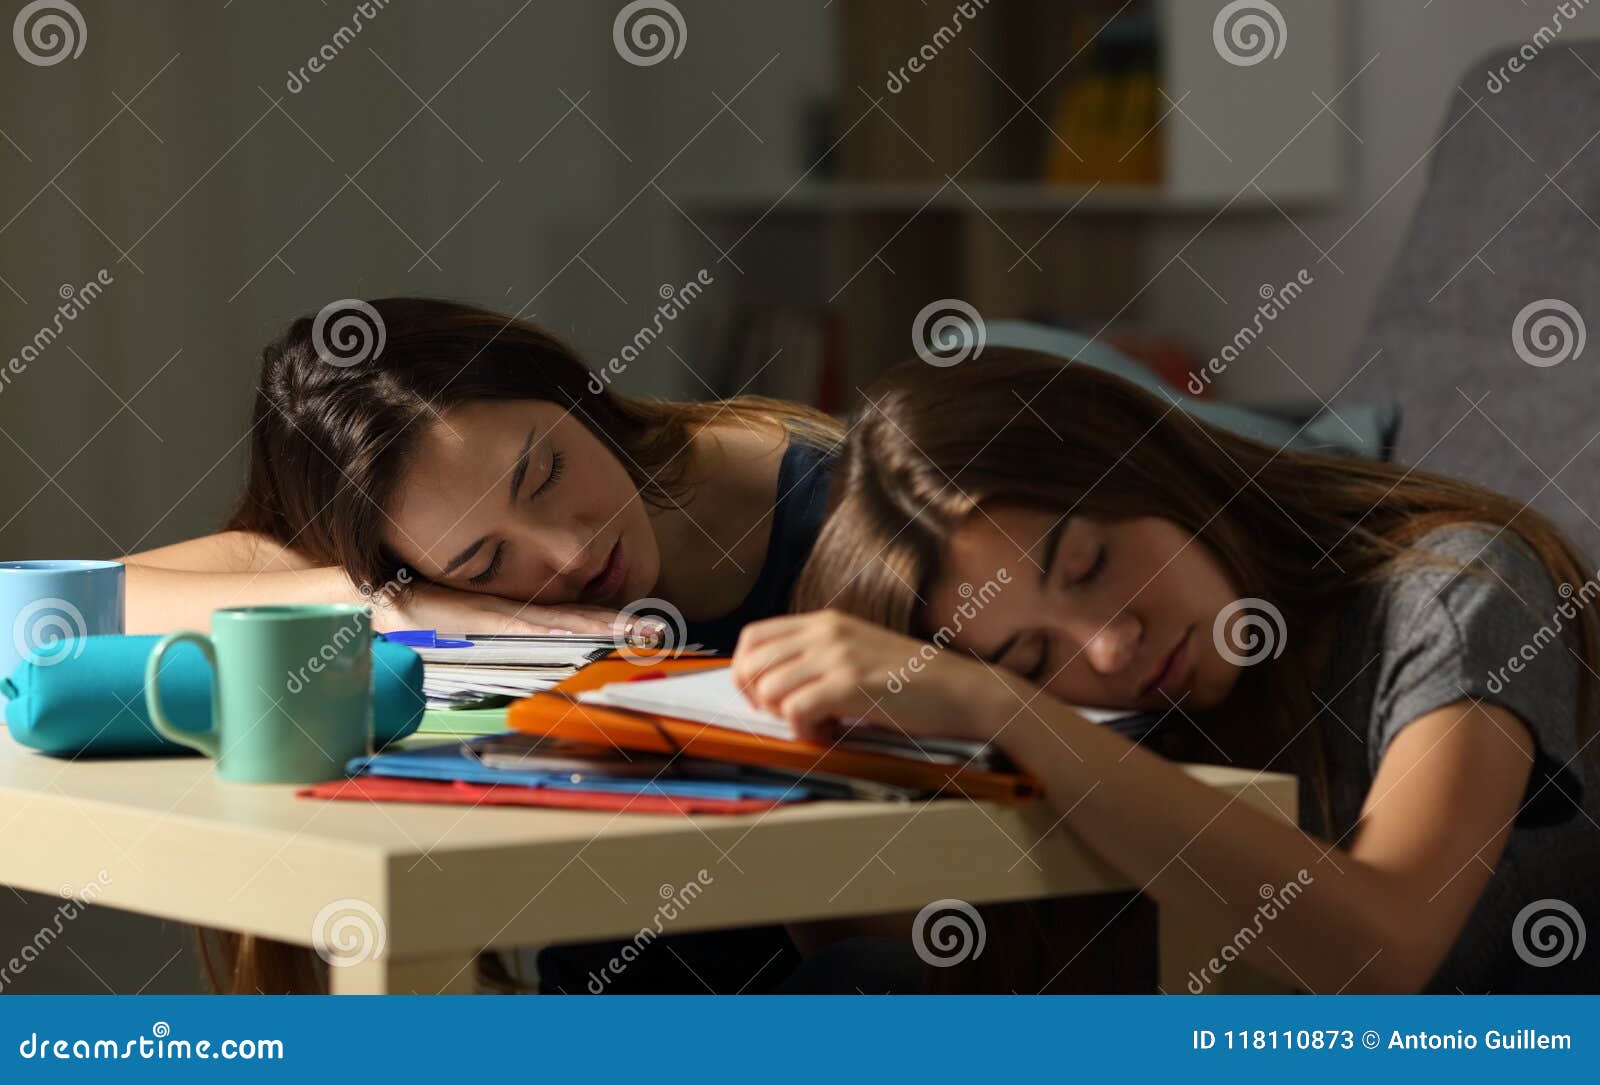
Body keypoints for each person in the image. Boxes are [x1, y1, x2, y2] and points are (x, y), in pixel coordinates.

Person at [730, 348, 1600, 993]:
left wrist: (1006, 702)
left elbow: (1378, 950)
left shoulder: (1453, 592)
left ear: (1145, 460)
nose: (1107, 648)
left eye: (1090, 565)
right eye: (1034, 655)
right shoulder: (1121, 721)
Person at [130, 297, 841, 993]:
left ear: (563, 391)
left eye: (545, 474)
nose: (570, 552)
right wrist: (385, 601)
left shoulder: (831, 504)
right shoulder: (402, 574)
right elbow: (40, 610)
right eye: (486, 563)